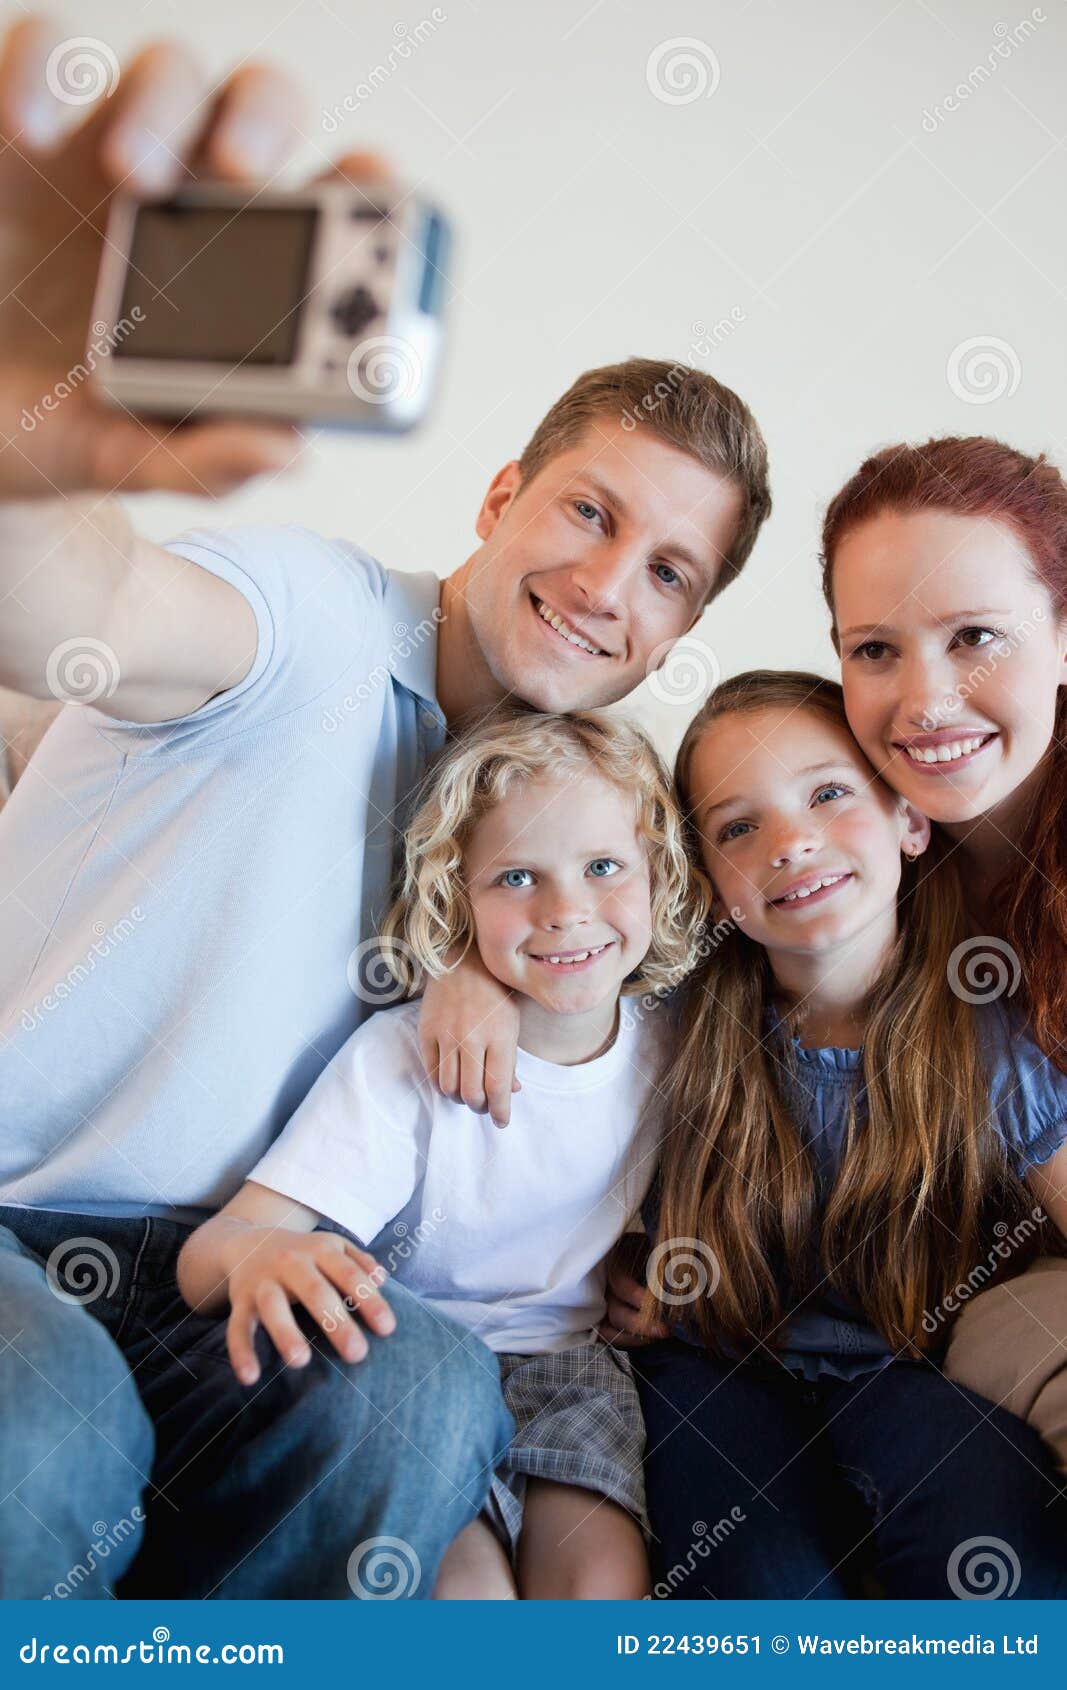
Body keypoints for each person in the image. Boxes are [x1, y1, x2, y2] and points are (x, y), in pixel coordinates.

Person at [0, 20, 771, 1596]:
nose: (603, 586)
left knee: (418, 1394)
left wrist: (505, 970)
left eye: (667, 572)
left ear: (680, 632)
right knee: (49, 1427)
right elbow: (81, 604)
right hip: (24, 1216)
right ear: (499, 497)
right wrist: (23, 448)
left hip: (254, 1261)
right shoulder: (299, 618)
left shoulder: (558, 841)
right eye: (585, 510)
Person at [175, 709, 706, 1599]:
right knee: (470, 1605)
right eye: (516, 878)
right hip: (411, 1373)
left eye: (604, 867)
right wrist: (267, 1254)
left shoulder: (676, 1042)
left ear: (659, 873)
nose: (566, 910)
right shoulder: (400, 1058)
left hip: (570, 1369)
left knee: (598, 1595)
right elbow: (206, 1258)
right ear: (458, 900)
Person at [627, 670, 1067, 1598]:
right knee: (763, 1594)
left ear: (911, 825)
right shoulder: (669, 1026)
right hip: (717, 1364)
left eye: (828, 794)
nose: (791, 844)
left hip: (907, 1365)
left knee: (996, 1568)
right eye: (738, 827)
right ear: (709, 886)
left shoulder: (988, 1030)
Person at [818, 438, 1067, 1473]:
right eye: (874, 649)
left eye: (974, 636)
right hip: (1007, 1303)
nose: (922, 701)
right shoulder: (837, 842)